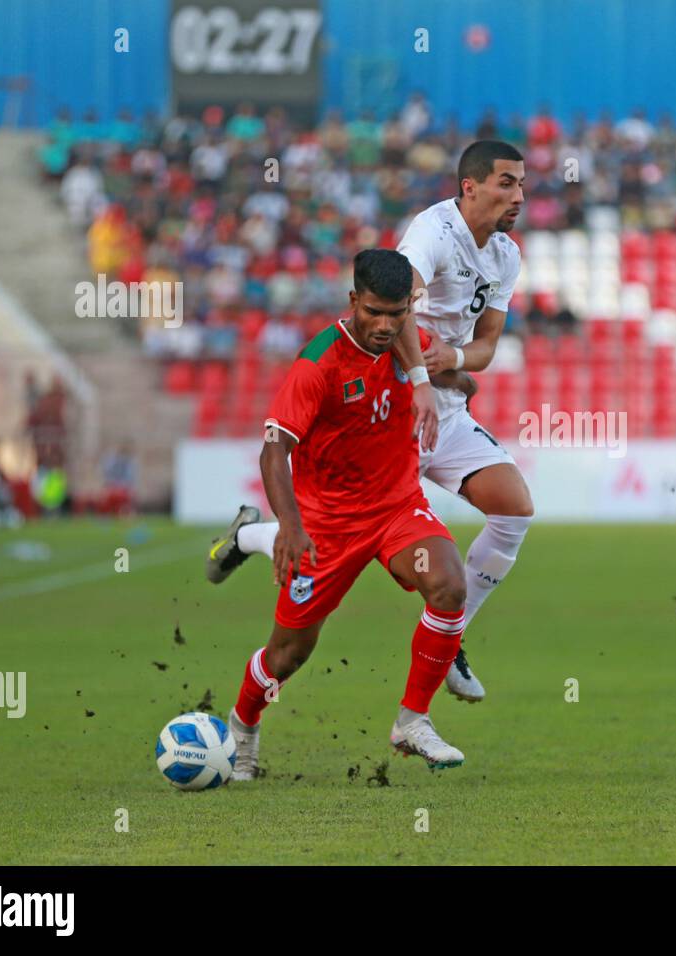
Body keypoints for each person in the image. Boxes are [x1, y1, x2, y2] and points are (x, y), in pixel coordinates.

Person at [210, 141, 532, 705]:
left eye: (522, 184)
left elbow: (484, 348)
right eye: (507, 183)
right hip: (397, 399)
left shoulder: (506, 256)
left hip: (440, 402)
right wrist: (419, 382)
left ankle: (453, 638)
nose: (519, 196)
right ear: (470, 186)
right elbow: (398, 303)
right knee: (333, 541)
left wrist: (450, 366)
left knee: (514, 507)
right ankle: (253, 537)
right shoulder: (432, 234)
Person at [226, 249, 473, 777]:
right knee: (288, 654)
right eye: (374, 312)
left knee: (450, 584)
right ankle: (243, 724)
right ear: (353, 300)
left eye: (397, 313)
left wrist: (452, 378)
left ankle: (413, 719)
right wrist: (292, 527)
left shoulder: (411, 345)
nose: (385, 325)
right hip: (328, 527)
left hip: (397, 508)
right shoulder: (318, 364)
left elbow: (458, 376)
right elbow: (274, 450)